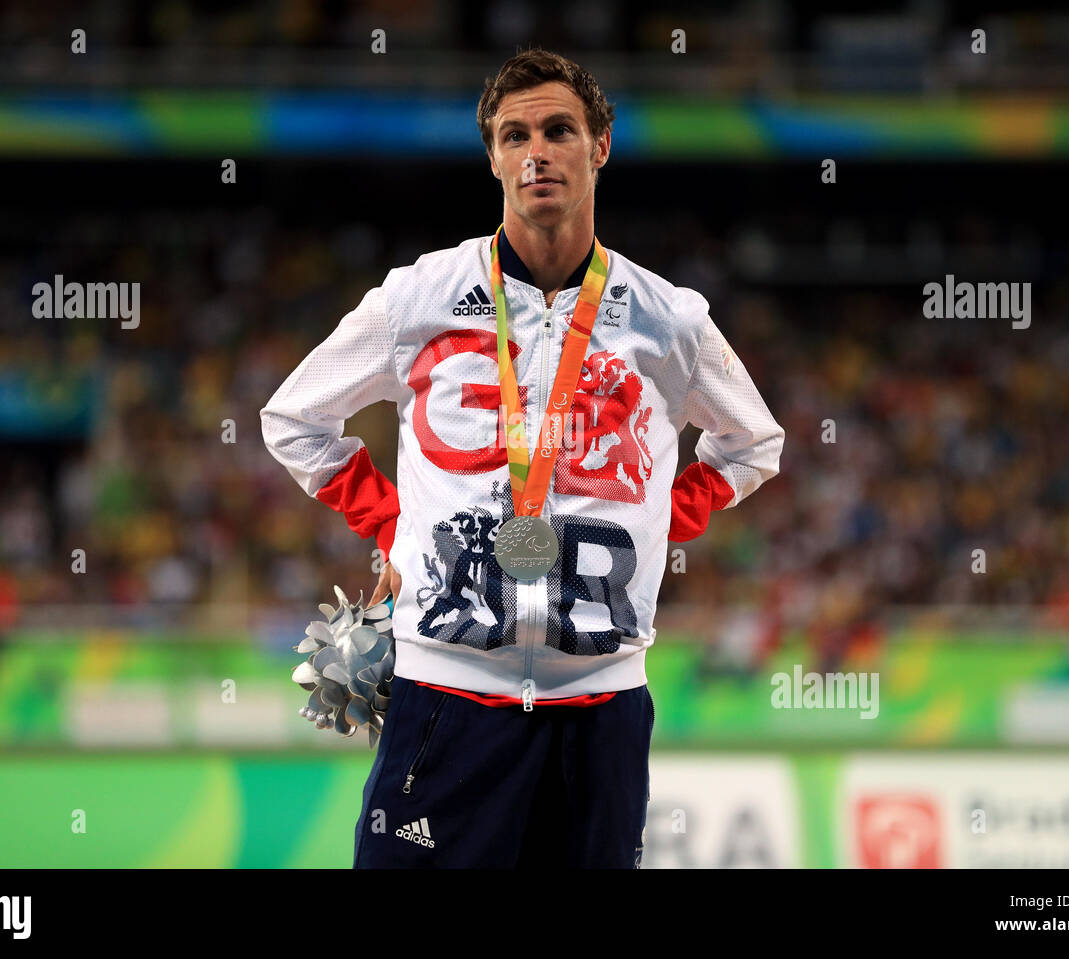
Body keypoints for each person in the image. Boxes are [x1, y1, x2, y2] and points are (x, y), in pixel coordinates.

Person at [260, 48, 784, 868]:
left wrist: (663, 519)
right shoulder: (420, 296)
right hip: (443, 698)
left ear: (600, 146)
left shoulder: (668, 319)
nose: (536, 151)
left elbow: (754, 441)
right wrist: (391, 524)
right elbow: (293, 419)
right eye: (514, 135)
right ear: (494, 156)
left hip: (600, 707)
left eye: (558, 130)